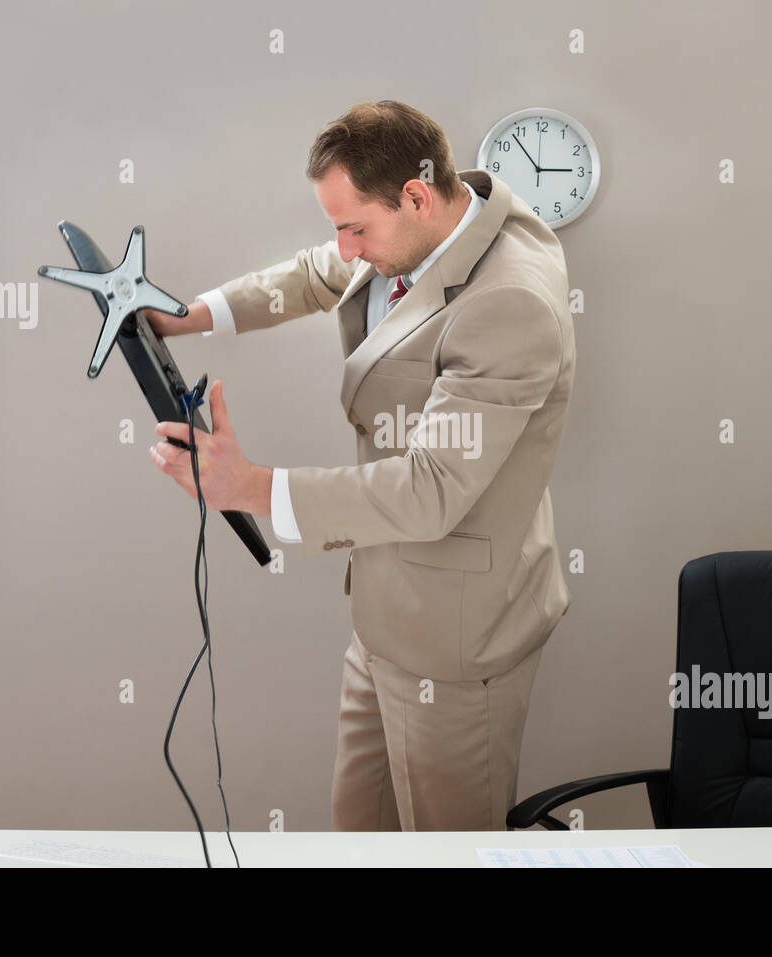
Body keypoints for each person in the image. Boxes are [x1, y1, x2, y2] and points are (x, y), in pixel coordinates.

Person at [144, 100, 575, 831]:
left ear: (415, 195)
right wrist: (187, 315)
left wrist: (250, 486)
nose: (343, 249)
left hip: (455, 638)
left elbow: (433, 488)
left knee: (446, 852)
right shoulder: (435, 222)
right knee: (358, 843)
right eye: (336, 226)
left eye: (355, 229)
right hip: (384, 609)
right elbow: (317, 273)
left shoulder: (509, 304)